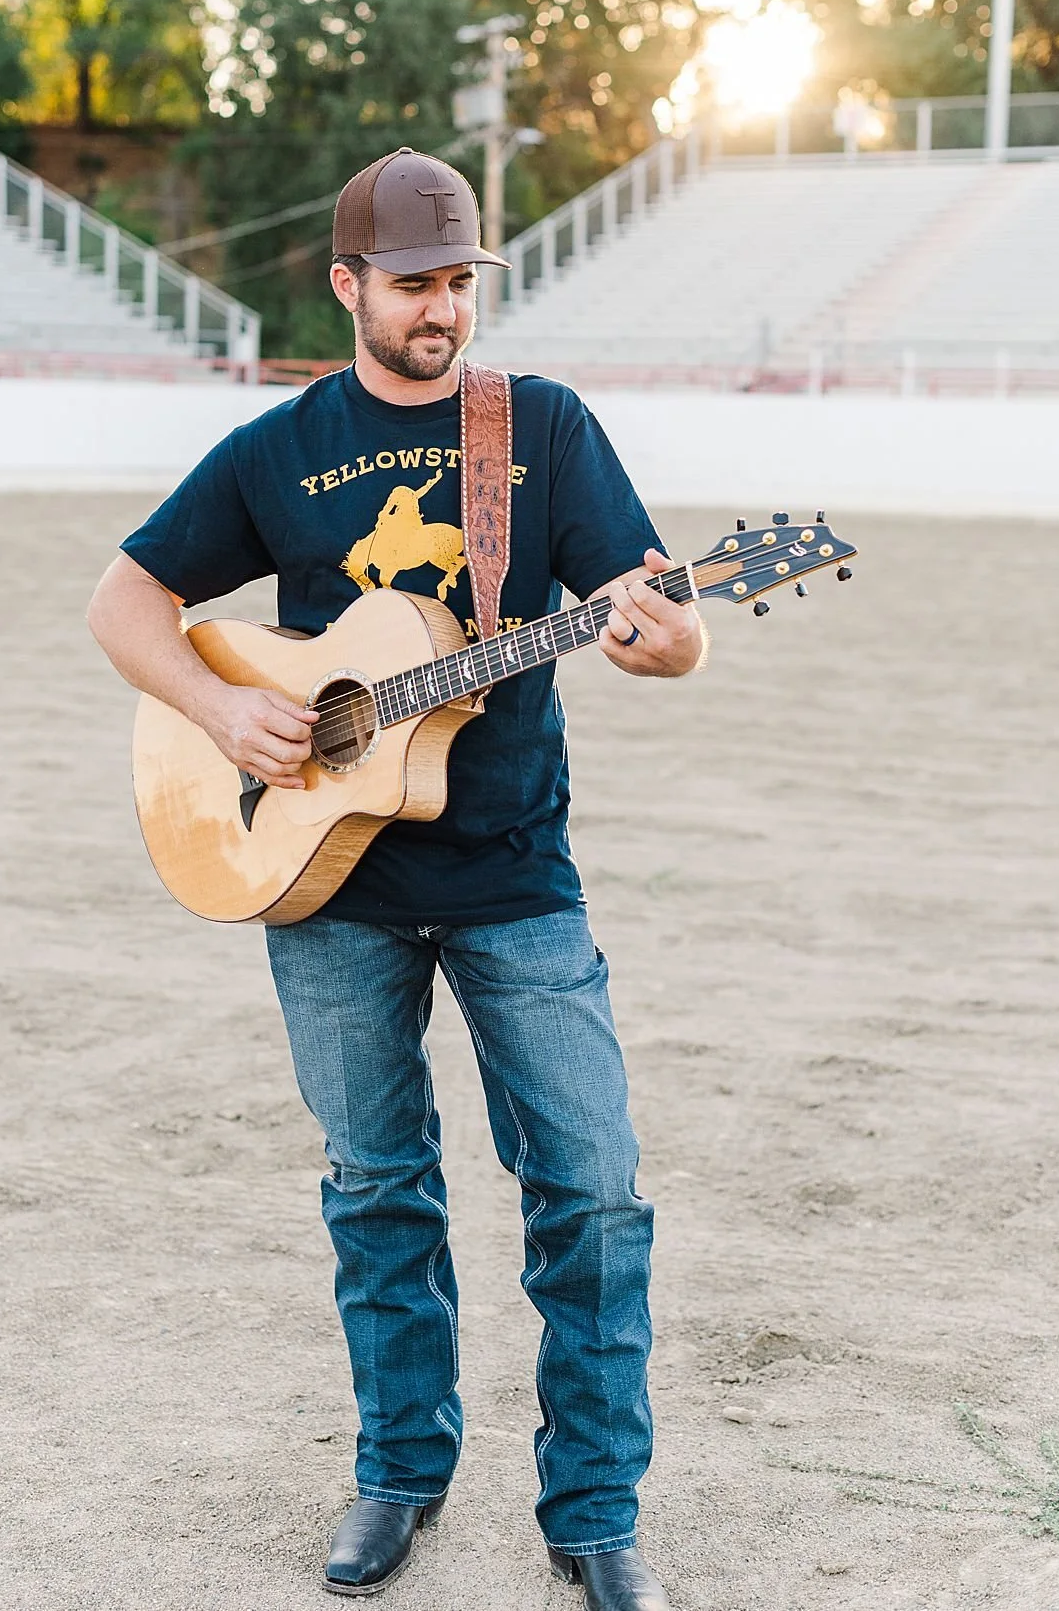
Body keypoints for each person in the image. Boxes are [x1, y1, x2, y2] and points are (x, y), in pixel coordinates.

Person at [88, 148, 691, 1610]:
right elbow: (125, 601)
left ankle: (595, 1511)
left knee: (595, 1196)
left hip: (515, 874)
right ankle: (399, 1474)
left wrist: (666, 631)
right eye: (414, 286)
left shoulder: (538, 429)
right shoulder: (276, 449)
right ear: (348, 283)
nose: (442, 313)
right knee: (377, 1191)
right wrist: (229, 710)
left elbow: (653, 604)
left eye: (460, 286)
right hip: (326, 883)